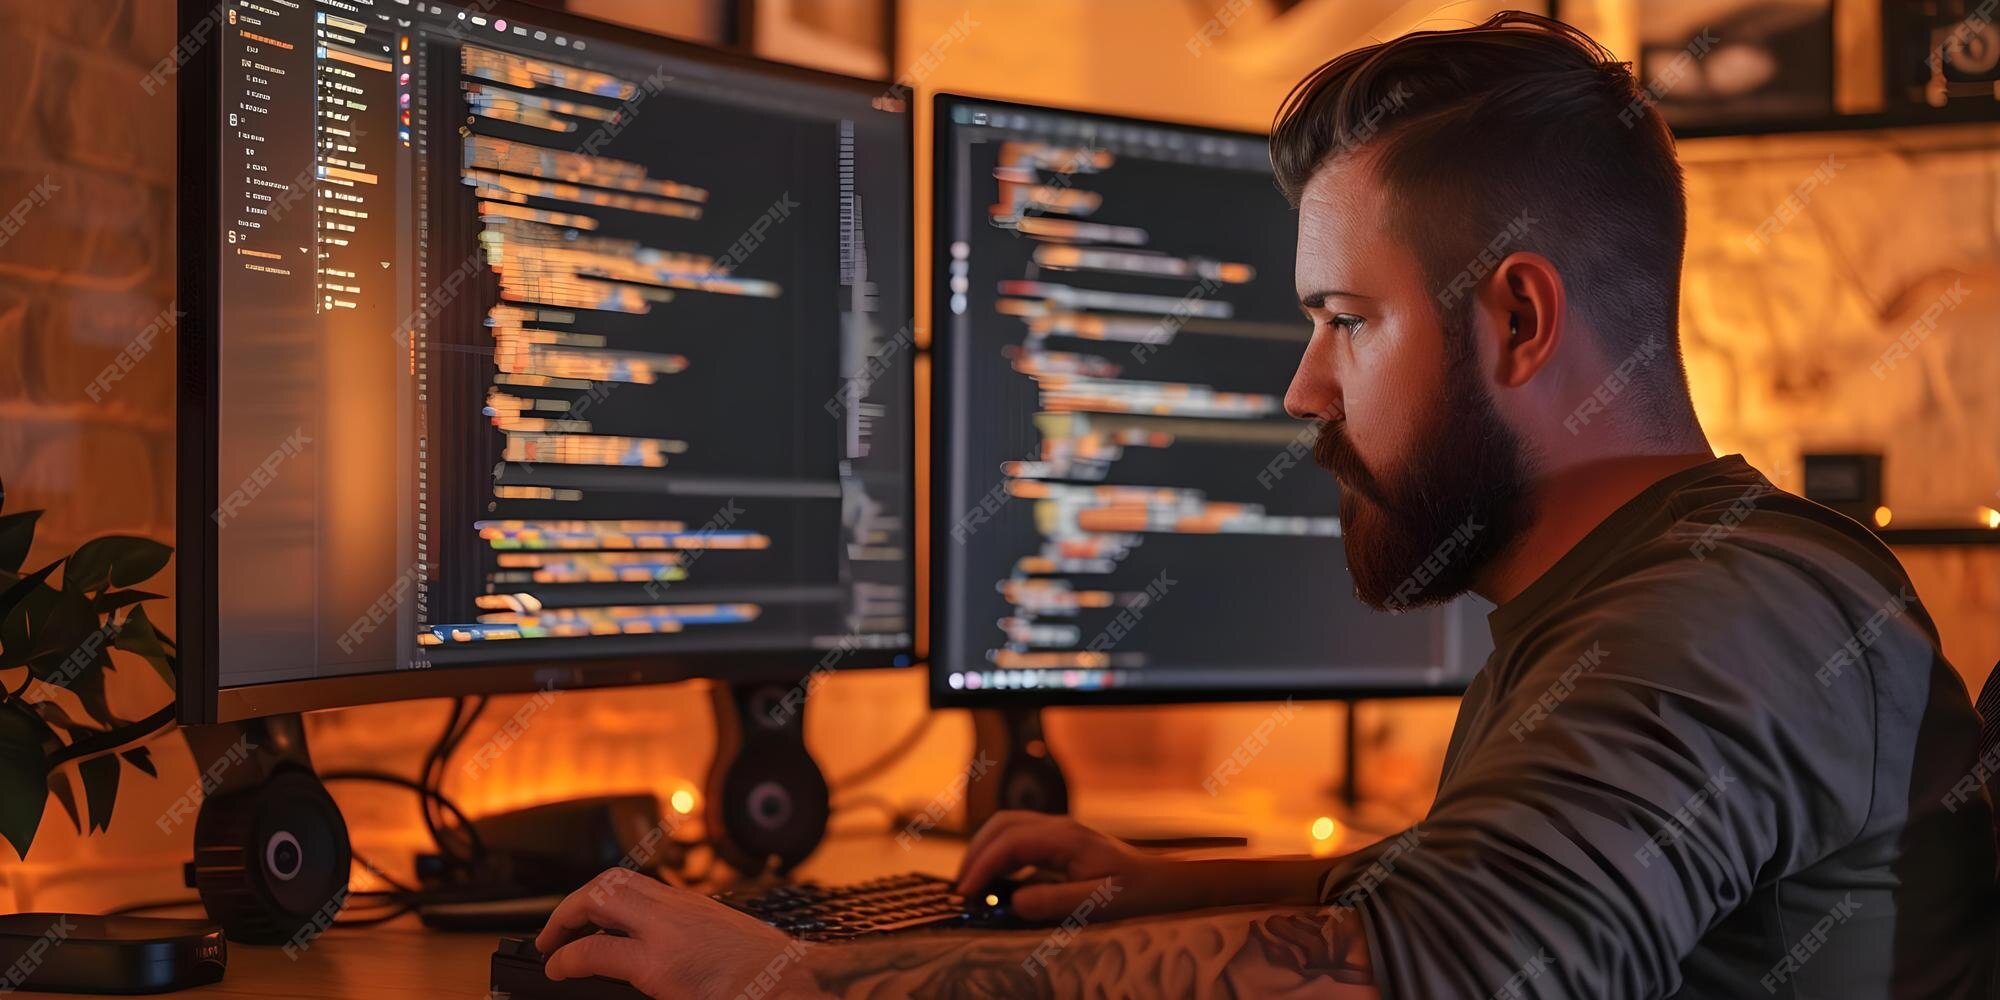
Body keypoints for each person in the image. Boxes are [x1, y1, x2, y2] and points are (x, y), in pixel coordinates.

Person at [533, 12, 1998, 998]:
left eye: (1347, 320)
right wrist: (1153, 885)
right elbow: (1484, 873)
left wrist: (783, 983)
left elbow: (1433, 973)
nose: (1305, 388)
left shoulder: (1712, 625)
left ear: (1522, 322)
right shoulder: (1682, 582)